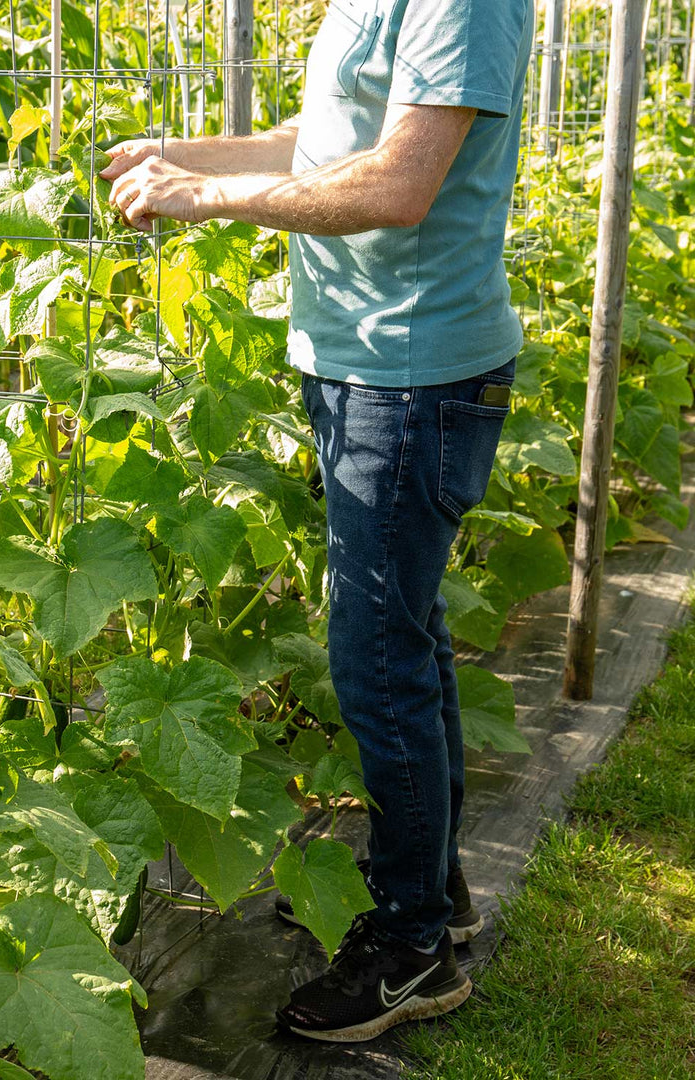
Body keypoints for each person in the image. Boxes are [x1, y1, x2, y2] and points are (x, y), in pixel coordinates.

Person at [101, 0, 534, 1044]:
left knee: (378, 661)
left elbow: (399, 182)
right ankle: (429, 886)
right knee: (406, 640)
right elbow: (322, 143)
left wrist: (209, 195)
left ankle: (411, 947)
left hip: (412, 376)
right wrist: (180, 151)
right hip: (361, 364)